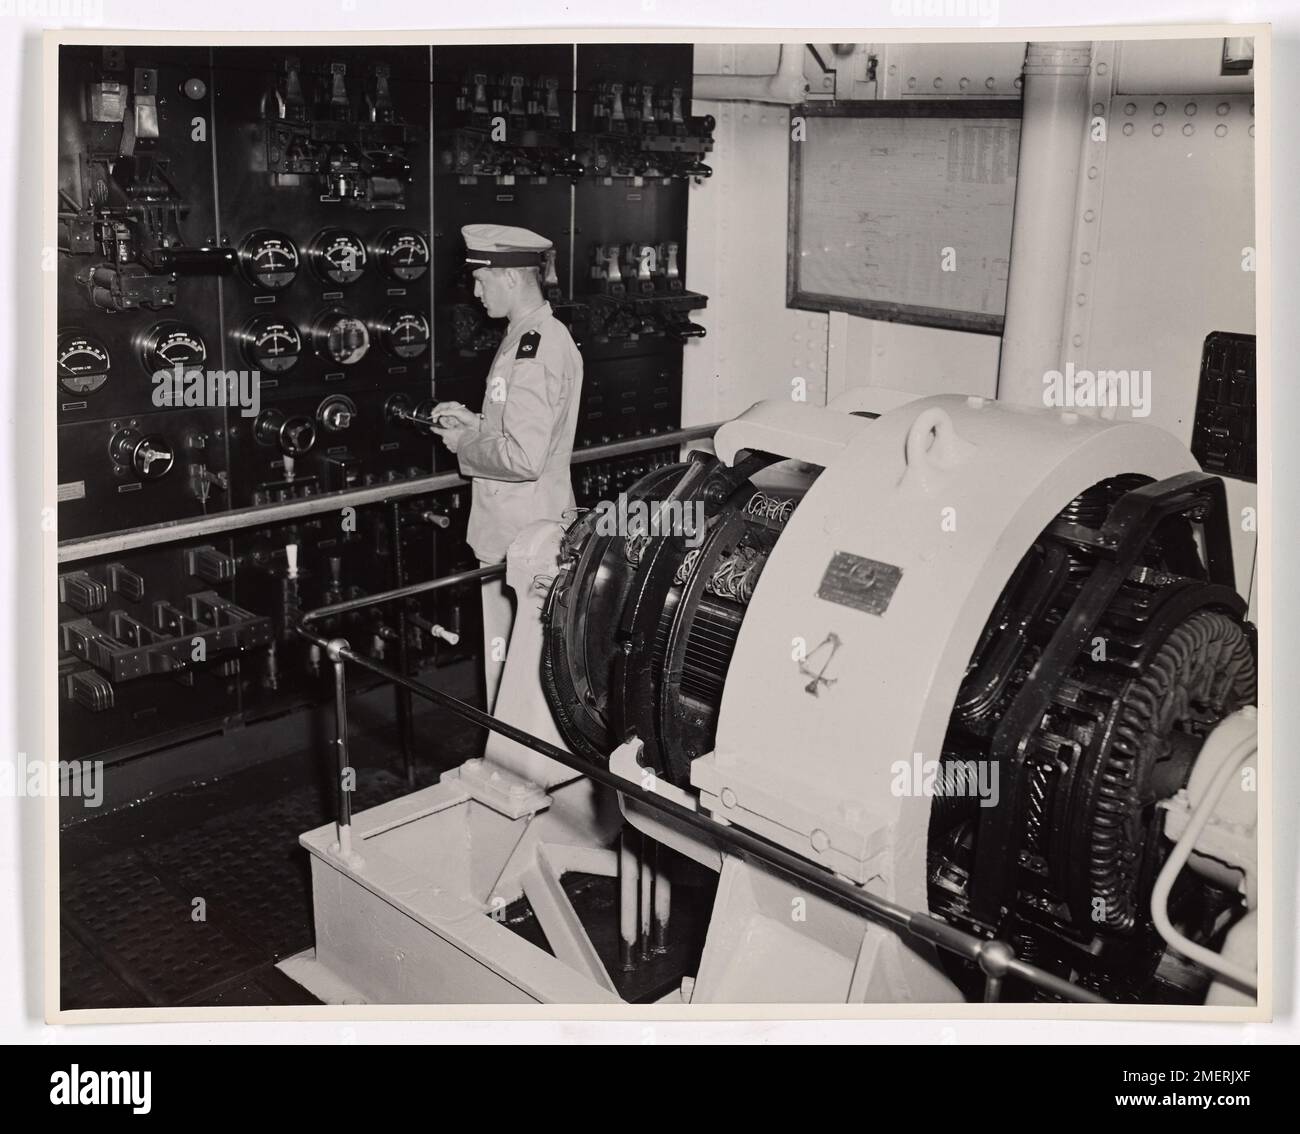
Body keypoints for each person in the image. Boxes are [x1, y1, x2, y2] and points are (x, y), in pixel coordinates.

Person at [431, 223, 583, 713]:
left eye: (482, 280)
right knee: (516, 672)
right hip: (518, 532)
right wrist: (474, 423)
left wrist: (464, 446)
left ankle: (518, 774)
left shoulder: (535, 348)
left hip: (522, 538)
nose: (475, 292)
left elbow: (524, 456)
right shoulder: (532, 335)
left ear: (512, 277)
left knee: (516, 681)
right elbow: (522, 426)